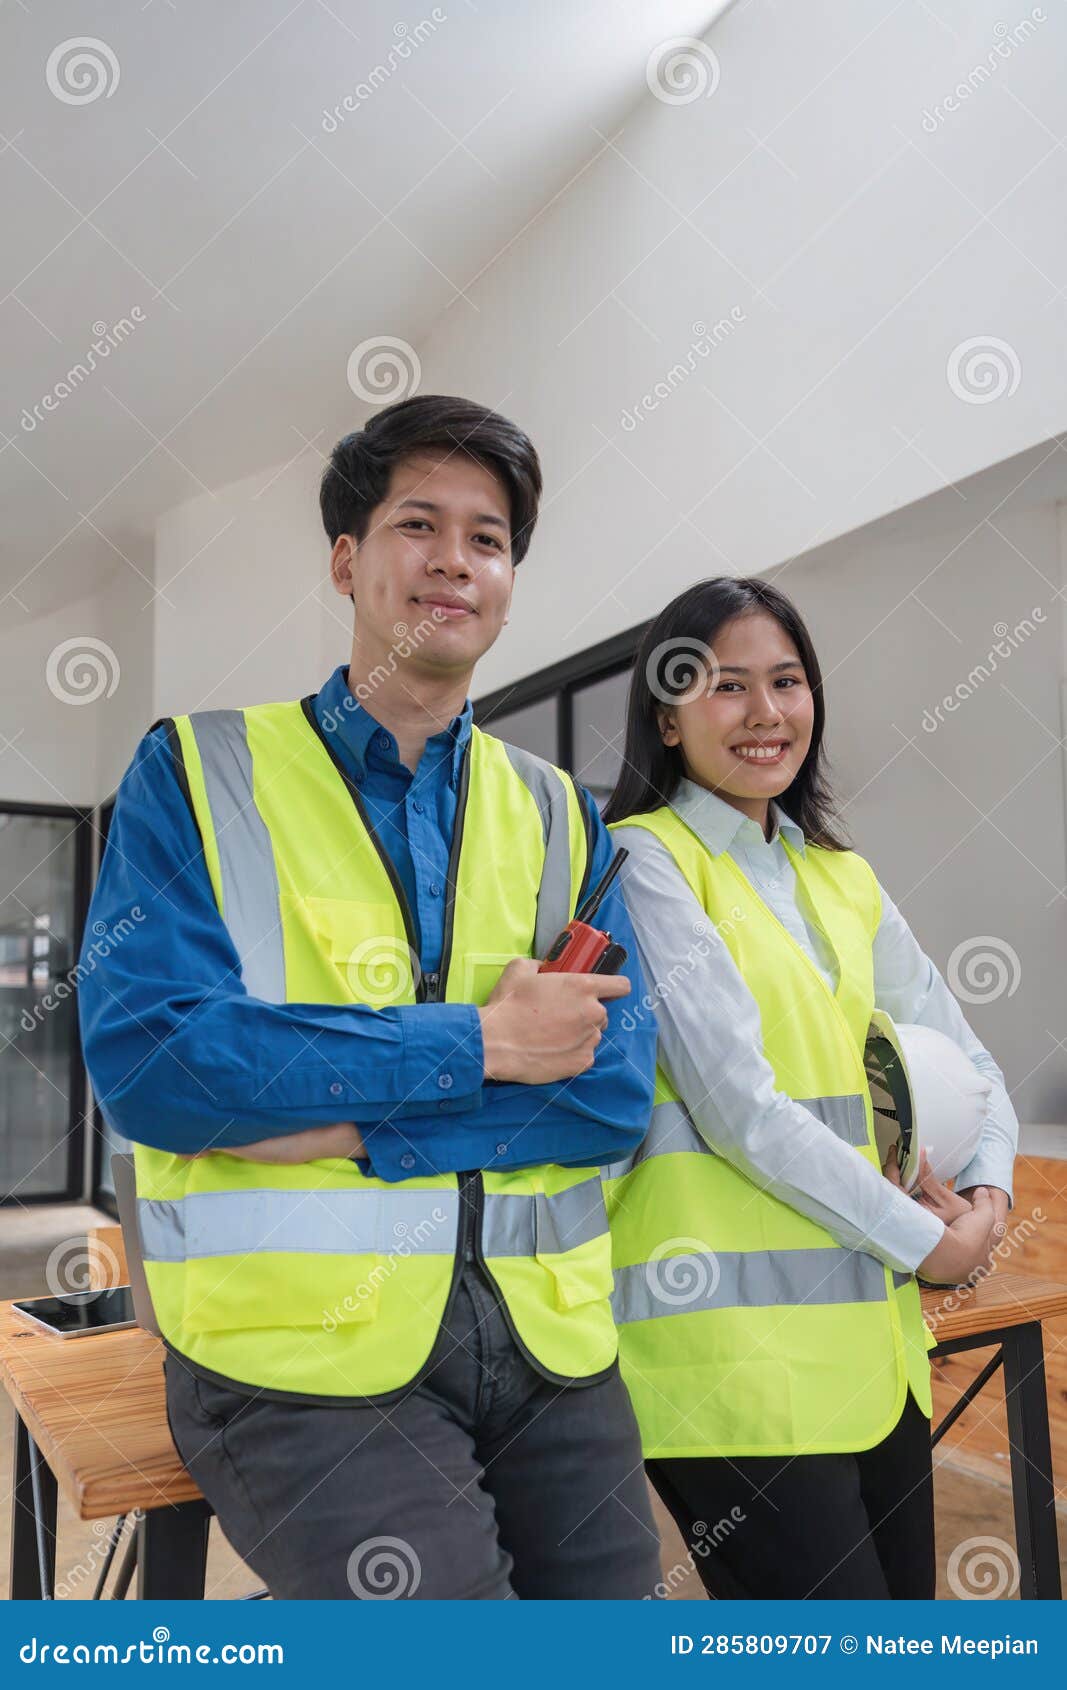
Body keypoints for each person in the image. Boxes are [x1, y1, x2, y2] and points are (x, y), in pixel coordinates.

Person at [78, 395, 664, 1600]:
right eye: (418, 524)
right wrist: (484, 1042)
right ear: (347, 560)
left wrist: (348, 1124)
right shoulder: (196, 771)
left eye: (488, 538)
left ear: (506, 582)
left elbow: (611, 1093)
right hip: (298, 1362)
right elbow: (159, 1066)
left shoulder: (560, 813)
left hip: (546, 1345)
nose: (455, 559)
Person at [601, 575, 1017, 1600]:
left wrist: (986, 1197)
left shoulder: (839, 877)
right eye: (725, 685)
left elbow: (969, 1059)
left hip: (871, 1360)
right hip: (725, 1366)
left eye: (785, 681)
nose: (764, 713)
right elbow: (739, 1109)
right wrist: (933, 1241)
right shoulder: (646, 863)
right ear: (666, 713)